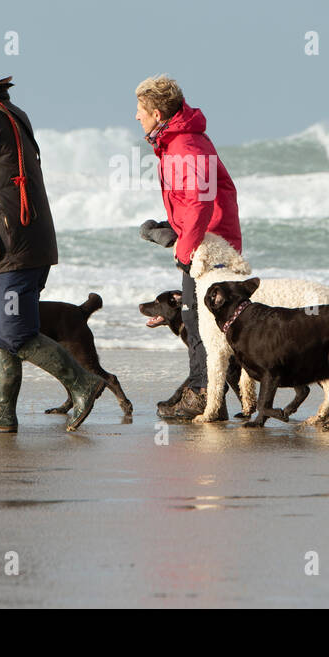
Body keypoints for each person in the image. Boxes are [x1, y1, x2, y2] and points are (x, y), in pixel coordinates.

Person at [0, 59, 103, 433]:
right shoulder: (5, 113)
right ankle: (3, 413)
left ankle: (84, 384)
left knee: (14, 331)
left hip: (14, 246)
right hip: (15, 242)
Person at [134, 75, 242, 420]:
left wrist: (186, 247)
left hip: (209, 247)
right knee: (198, 320)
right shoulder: (177, 141)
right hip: (203, 240)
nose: (137, 117)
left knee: (196, 320)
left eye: (140, 110)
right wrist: (173, 230)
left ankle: (203, 394)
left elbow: (199, 202)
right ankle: (203, 389)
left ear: (157, 113)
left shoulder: (185, 145)